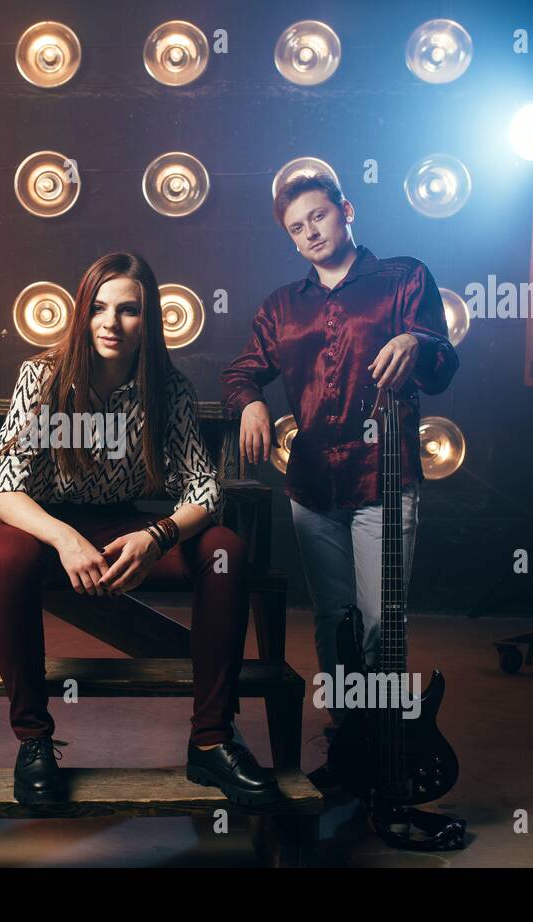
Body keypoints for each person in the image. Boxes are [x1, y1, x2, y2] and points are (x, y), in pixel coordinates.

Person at [0, 251, 284, 808]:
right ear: (81, 312)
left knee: (225, 549)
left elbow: (205, 491)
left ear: (149, 319)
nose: (111, 323)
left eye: (129, 310)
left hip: (129, 526)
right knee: (6, 556)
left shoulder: (168, 388)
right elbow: (2, 488)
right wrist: (65, 538)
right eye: (98, 308)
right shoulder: (44, 375)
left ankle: (212, 741)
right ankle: (33, 740)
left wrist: (158, 536)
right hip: (51, 526)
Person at [220, 173, 458, 788]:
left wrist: (416, 338)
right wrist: (248, 400)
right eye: (296, 228)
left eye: (318, 217)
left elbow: (441, 368)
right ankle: (347, 733)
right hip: (311, 486)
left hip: (383, 476)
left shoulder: (404, 278)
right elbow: (241, 371)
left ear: (346, 211)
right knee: (332, 615)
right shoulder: (280, 305)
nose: (310, 234)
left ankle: (385, 741)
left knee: (382, 617)